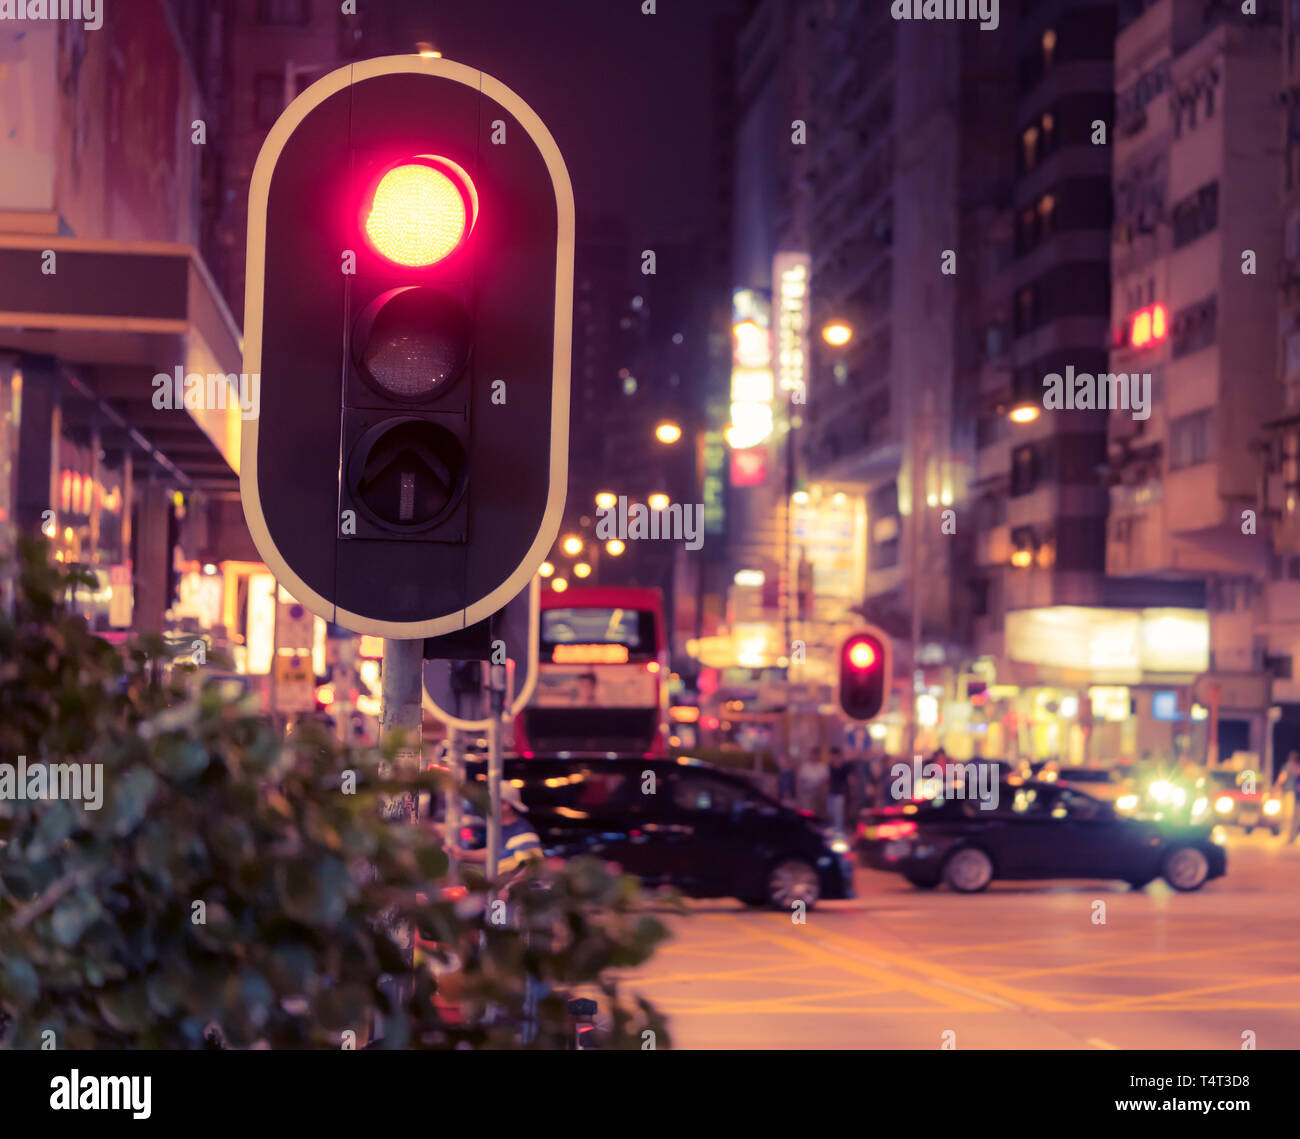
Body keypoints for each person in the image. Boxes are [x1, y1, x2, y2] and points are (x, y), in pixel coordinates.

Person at [450, 781, 545, 884]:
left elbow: (532, 867)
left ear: (505, 804)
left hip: (514, 897)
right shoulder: (498, 829)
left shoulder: (523, 832)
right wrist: (461, 854)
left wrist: (508, 888)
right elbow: (492, 853)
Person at [1274, 752, 1300, 845]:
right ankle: (1289, 835)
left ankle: (1288, 834)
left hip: (1290, 793)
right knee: (1292, 815)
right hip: (1291, 793)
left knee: (1289, 815)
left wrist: (1277, 786)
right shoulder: (1289, 767)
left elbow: (1282, 778)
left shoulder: (1287, 767)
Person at [826, 747, 849, 833]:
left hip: (840, 793)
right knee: (831, 813)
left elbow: (848, 780)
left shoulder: (844, 767)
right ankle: (833, 831)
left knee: (839, 814)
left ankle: (839, 832)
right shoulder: (829, 767)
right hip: (831, 793)